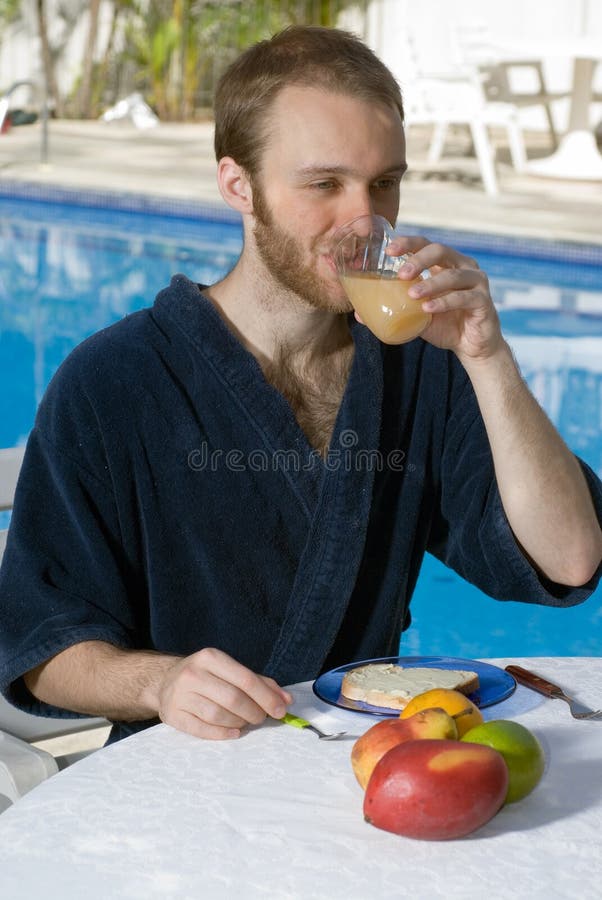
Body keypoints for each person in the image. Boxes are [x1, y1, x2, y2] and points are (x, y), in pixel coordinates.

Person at [1, 26, 601, 745]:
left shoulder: (422, 366)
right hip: (183, 776)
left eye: (385, 182)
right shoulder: (112, 382)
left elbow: (569, 557)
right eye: (325, 184)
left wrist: (489, 354)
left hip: (364, 765)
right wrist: (160, 682)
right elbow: (40, 651)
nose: (364, 219)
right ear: (237, 184)